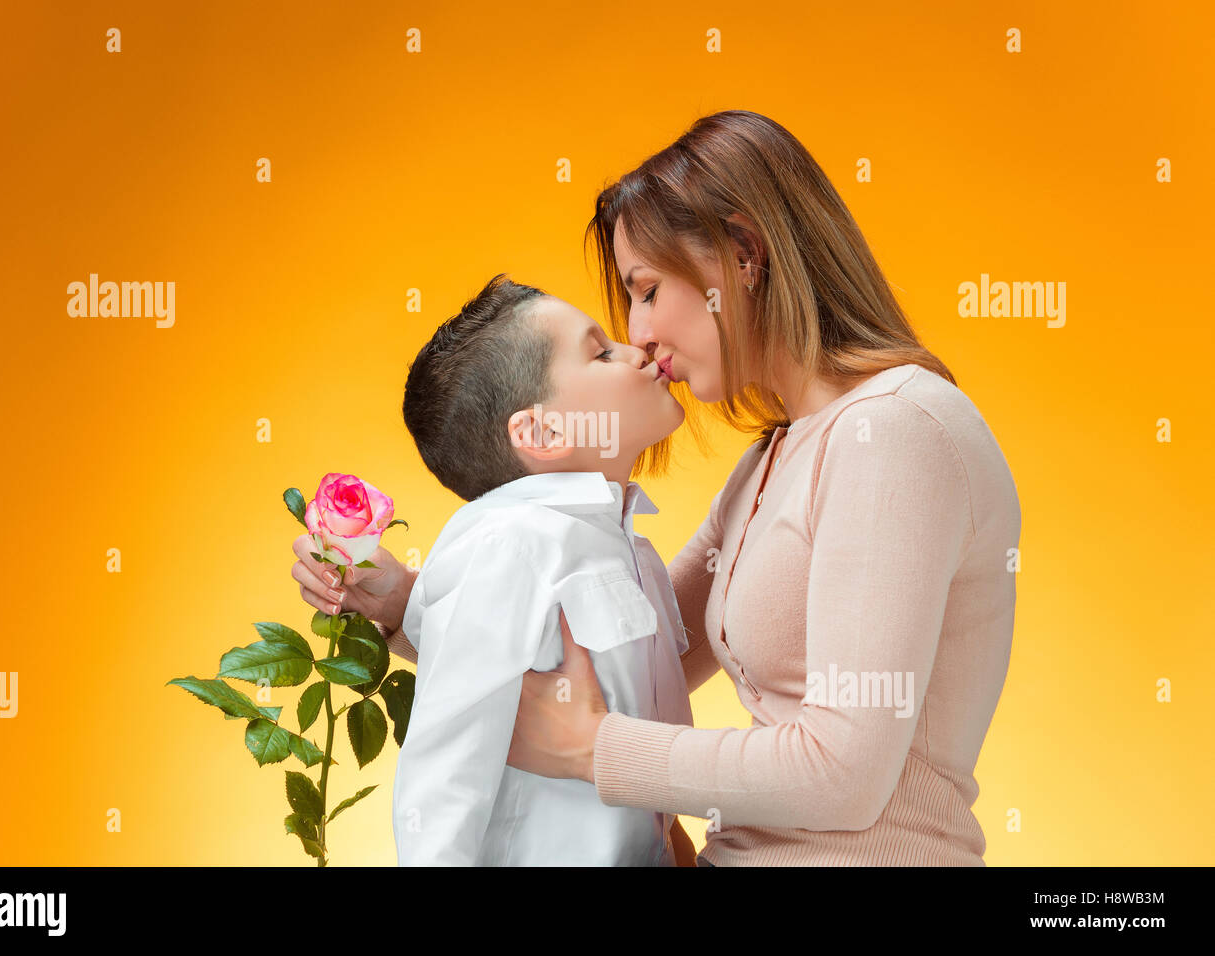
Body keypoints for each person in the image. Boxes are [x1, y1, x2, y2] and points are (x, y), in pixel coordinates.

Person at [293, 110, 1021, 866]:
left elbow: (844, 773)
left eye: (645, 290)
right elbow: (632, 654)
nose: (637, 335)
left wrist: (594, 751)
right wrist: (406, 607)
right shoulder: (770, 462)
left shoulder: (894, 430)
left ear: (743, 253)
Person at [381, 272, 696, 865]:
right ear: (543, 431)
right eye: (601, 352)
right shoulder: (507, 544)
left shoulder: (631, 550)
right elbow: (446, 767)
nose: (637, 350)